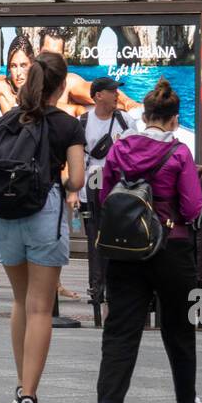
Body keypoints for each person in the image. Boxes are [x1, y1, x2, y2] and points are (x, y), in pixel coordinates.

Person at [93, 78, 202, 403]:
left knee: (121, 328)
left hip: (125, 249)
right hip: (170, 247)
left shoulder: (119, 148)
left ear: (144, 115)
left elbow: (102, 197)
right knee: (179, 327)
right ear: (174, 119)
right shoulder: (179, 153)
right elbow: (192, 207)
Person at [0, 52, 85, 403]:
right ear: (61, 86)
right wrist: (58, 178)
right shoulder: (67, 125)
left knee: (19, 300)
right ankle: (29, 396)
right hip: (43, 212)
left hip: (4, 215)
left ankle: (20, 385)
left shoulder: (8, 118)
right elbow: (76, 179)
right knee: (40, 307)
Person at [80, 77, 133, 309]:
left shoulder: (125, 120)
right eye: (112, 91)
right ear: (98, 95)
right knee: (94, 238)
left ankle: (115, 286)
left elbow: (134, 155)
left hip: (118, 184)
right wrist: (75, 191)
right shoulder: (82, 122)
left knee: (118, 237)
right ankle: (96, 287)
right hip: (91, 182)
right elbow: (78, 159)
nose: (116, 95)